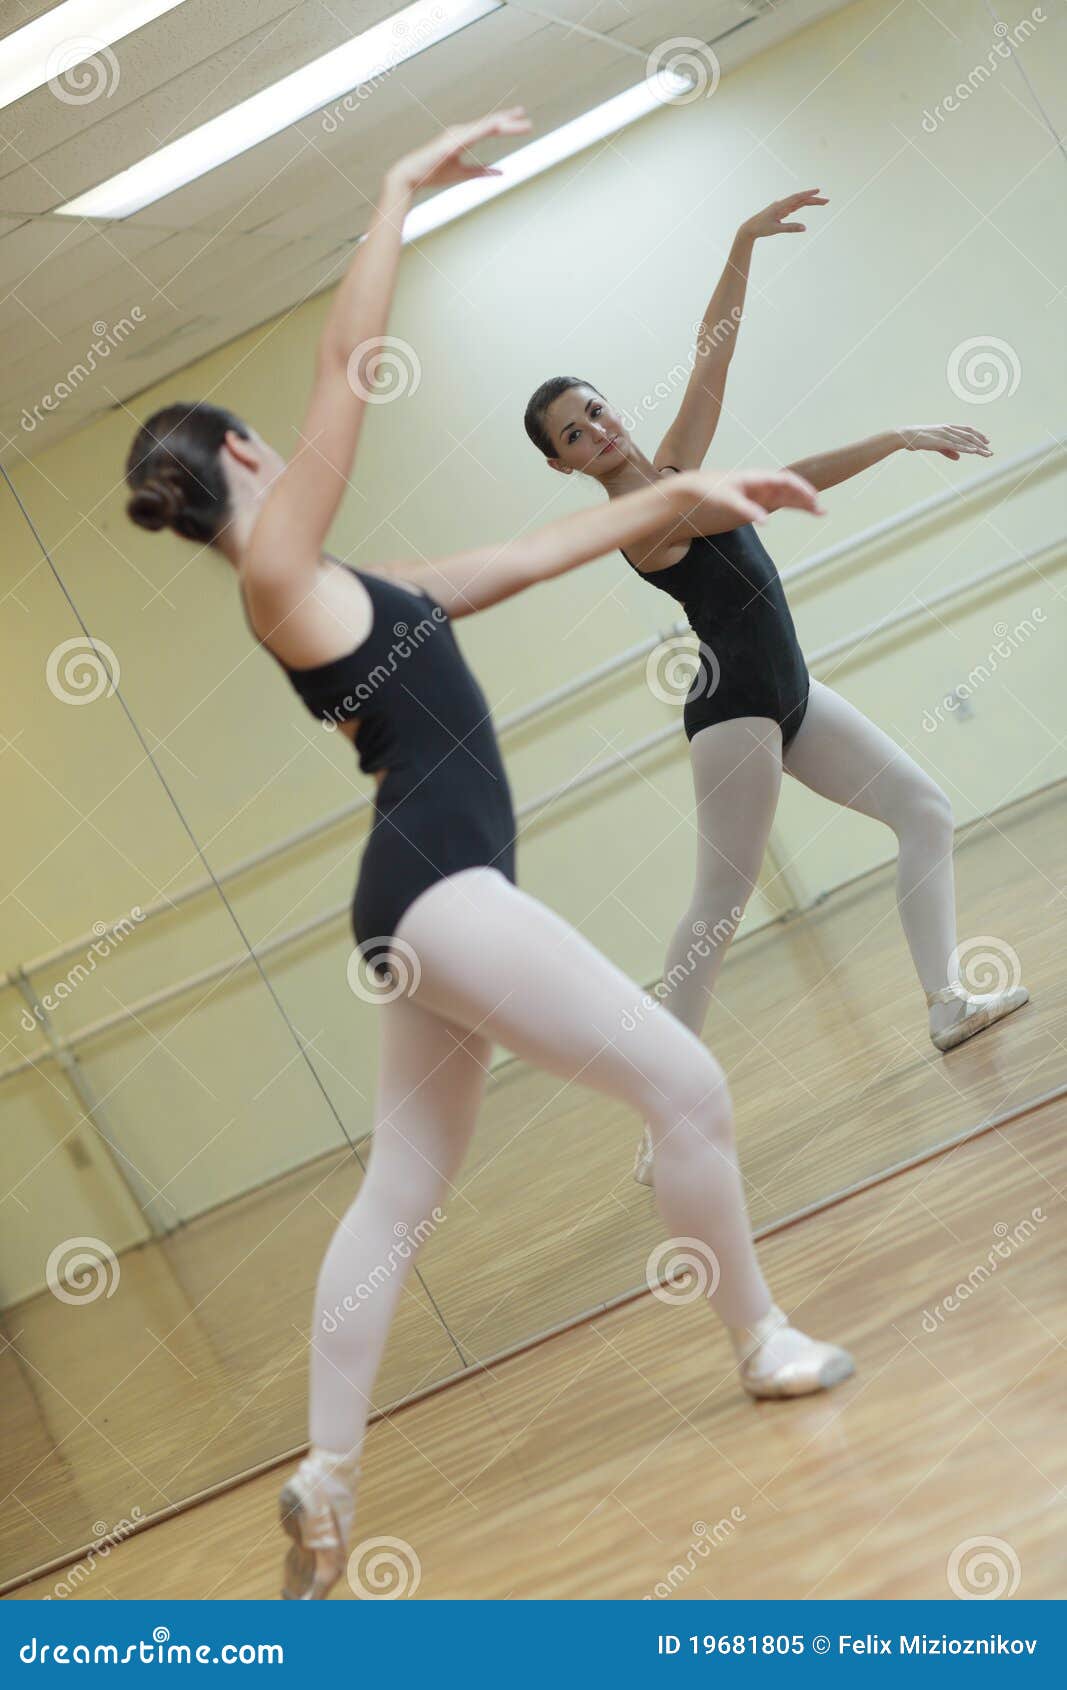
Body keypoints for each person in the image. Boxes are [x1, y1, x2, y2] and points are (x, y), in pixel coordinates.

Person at [124, 117, 853, 1601]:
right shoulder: (276, 571)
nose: (296, 436)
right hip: (440, 891)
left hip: (415, 906)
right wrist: (394, 190)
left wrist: (696, 492)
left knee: (399, 1186)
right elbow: (345, 372)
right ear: (242, 461)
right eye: (270, 437)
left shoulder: (346, 588)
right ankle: (760, 1338)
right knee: (684, 1082)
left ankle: (327, 1479)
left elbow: (530, 558)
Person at [523, 191, 1028, 1186]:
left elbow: (711, 355)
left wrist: (738, 243)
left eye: (595, 408)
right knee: (719, 900)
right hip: (734, 712)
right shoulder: (640, 519)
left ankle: (944, 1002)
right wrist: (888, 438)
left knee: (921, 809)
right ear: (560, 465)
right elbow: (762, 491)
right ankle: (664, 1113)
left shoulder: (665, 468)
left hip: (786, 694)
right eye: (574, 435)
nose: (597, 429)